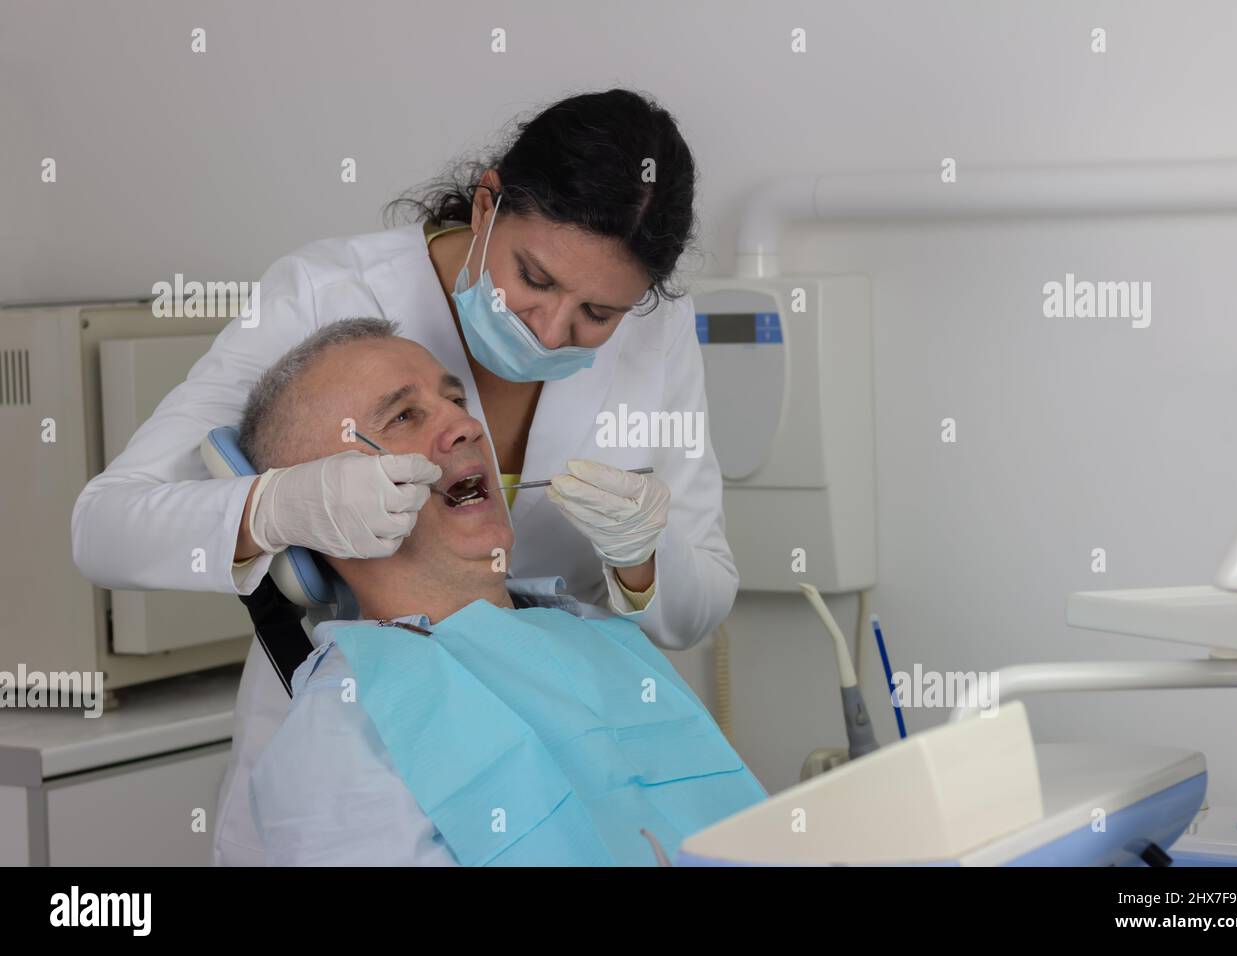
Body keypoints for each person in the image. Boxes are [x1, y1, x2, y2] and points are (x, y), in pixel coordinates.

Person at [68, 89, 738, 865]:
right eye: (535, 278)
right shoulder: (331, 292)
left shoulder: (658, 333)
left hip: (569, 728)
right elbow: (104, 526)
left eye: (597, 313)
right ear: (487, 203)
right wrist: (283, 506)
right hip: (386, 736)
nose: (552, 329)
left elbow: (701, 601)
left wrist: (644, 555)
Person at [239, 318, 764, 865]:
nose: (466, 424)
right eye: (403, 416)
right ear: (324, 505)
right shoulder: (340, 736)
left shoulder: (590, 634)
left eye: (455, 398)